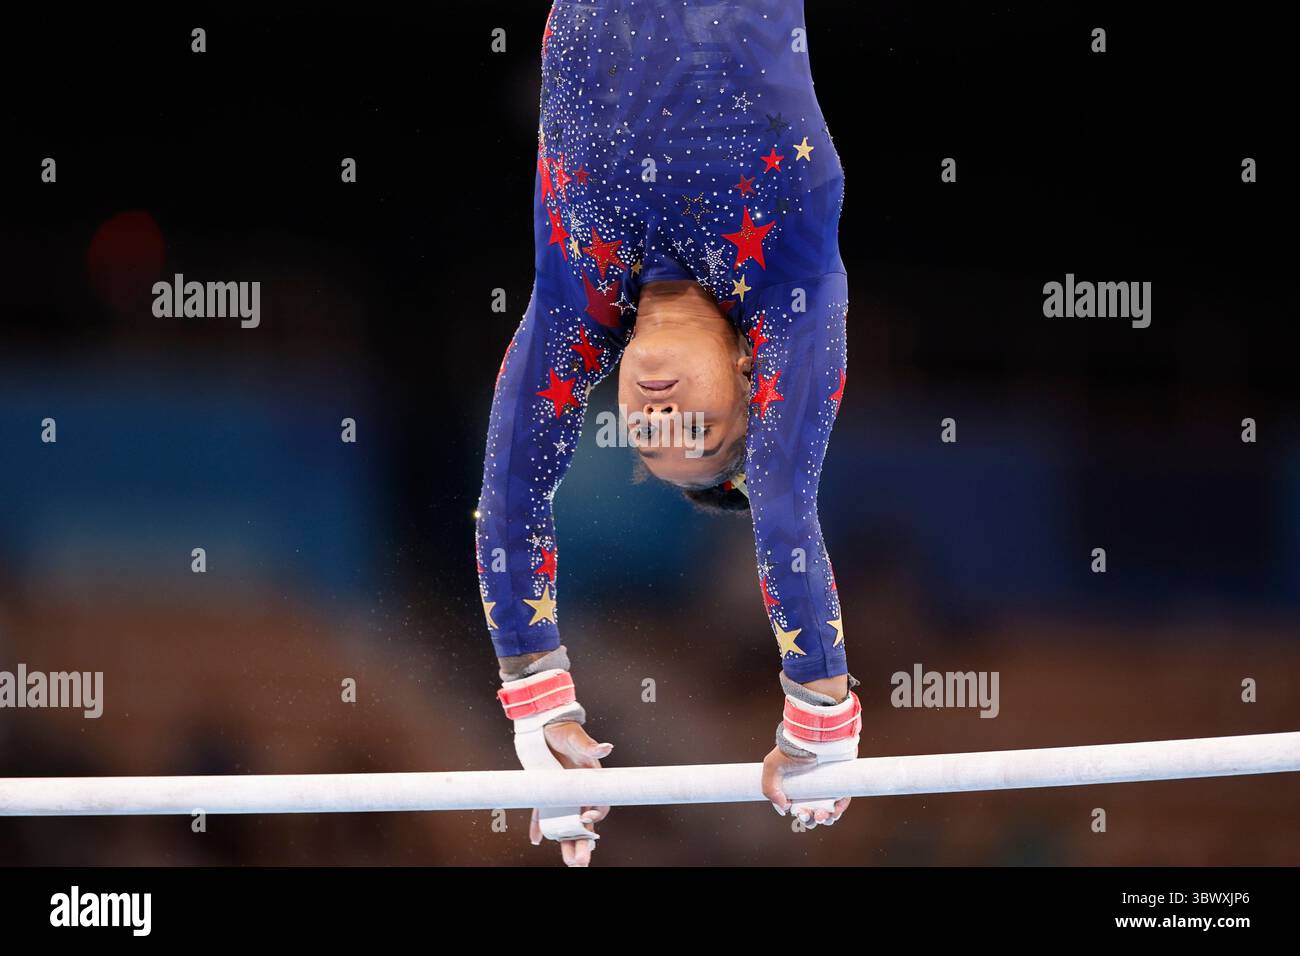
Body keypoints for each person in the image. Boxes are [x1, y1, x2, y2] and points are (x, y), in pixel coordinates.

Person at [475, 0, 858, 866]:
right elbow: (787, 501)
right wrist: (819, 707)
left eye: (647, 433)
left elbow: (509, 498)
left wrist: (540, 702)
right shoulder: (791, 283)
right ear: (756, 387)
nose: (654, 409)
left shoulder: (577, 306)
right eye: (697, 425)